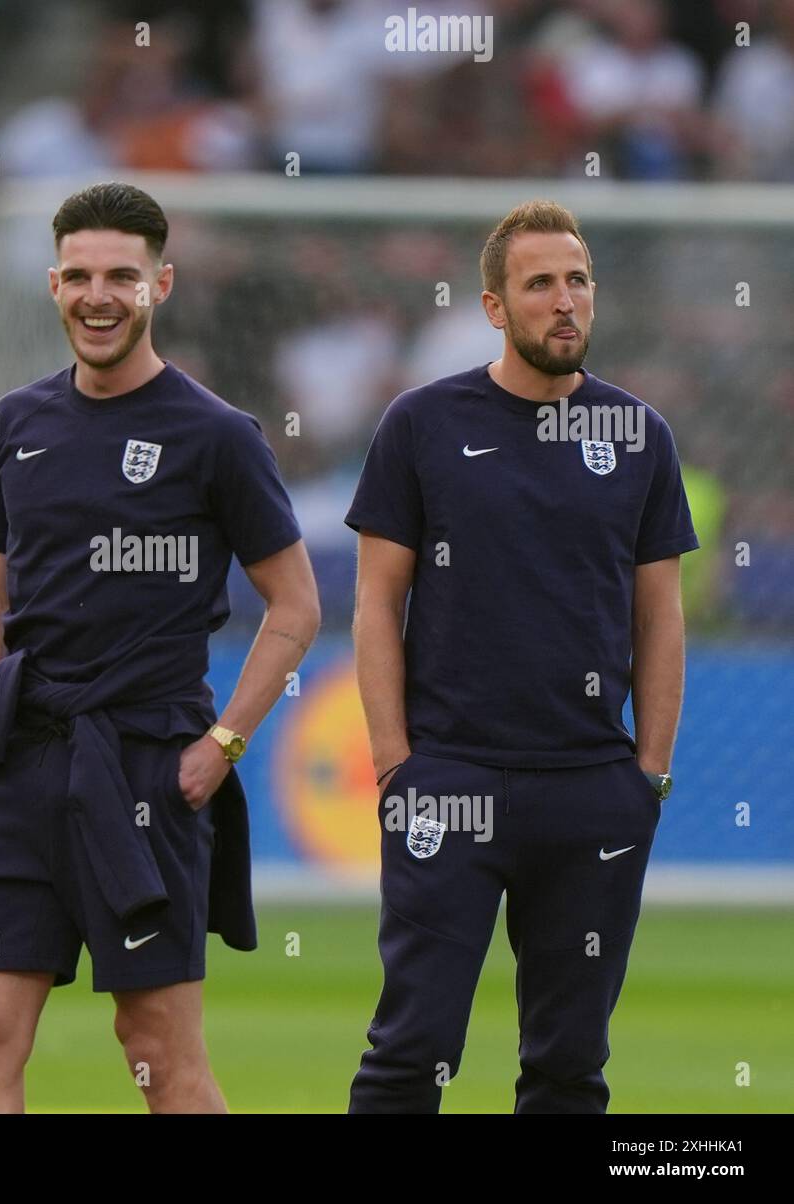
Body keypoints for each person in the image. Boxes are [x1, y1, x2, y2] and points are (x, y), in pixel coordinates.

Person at [0, 182, 320, 1114]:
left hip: (147, 765)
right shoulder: (15, 423)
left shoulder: (217, 435)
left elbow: (296, 606)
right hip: (17, 764)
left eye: (121, 276)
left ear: (162, 283)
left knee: (155, 1047)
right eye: (78, 276)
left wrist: (223, 744)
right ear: (53, 285)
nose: (98, 296)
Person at [345, 200, 697, 1113]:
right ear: (495, 308)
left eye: (578, 280)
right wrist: (395, 763)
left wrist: (648, 774)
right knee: (411, 1051)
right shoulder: (422, 424)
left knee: (569, 1065)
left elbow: (660, 617)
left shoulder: (639, 435)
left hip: (592, 790)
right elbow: (376, 603)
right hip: (449, 779)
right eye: (540, 284)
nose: (564, 300)